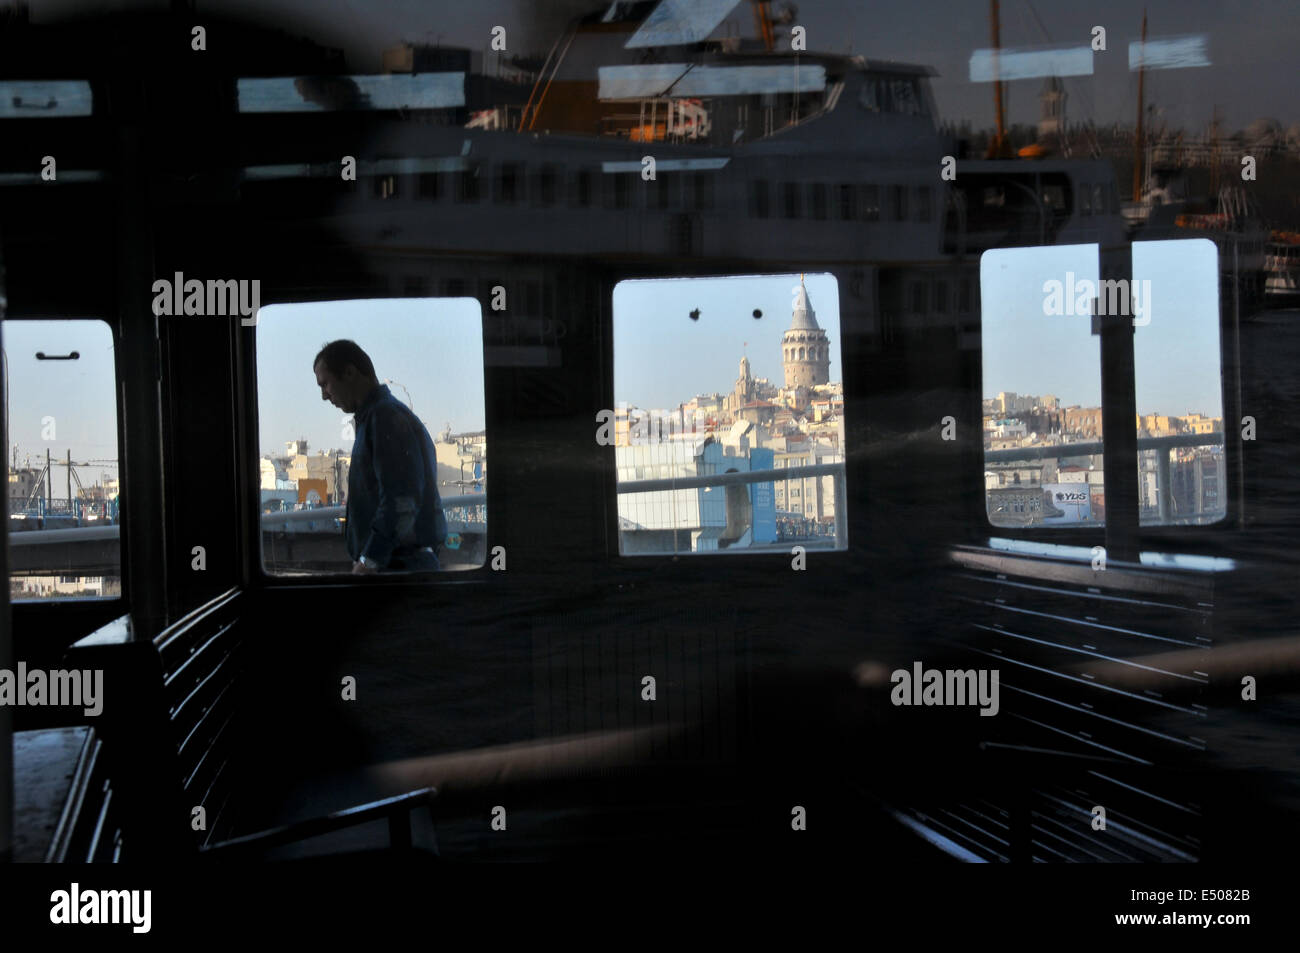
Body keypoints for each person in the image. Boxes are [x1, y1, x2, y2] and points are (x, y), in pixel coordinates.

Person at [312, 340, 447, 573]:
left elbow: (402, 500)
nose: (324, 396)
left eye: (325, 384)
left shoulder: (384, 418)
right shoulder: (383, 416)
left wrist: (369, 560)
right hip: (402, 566)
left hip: (397, 571)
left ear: (350, 372)